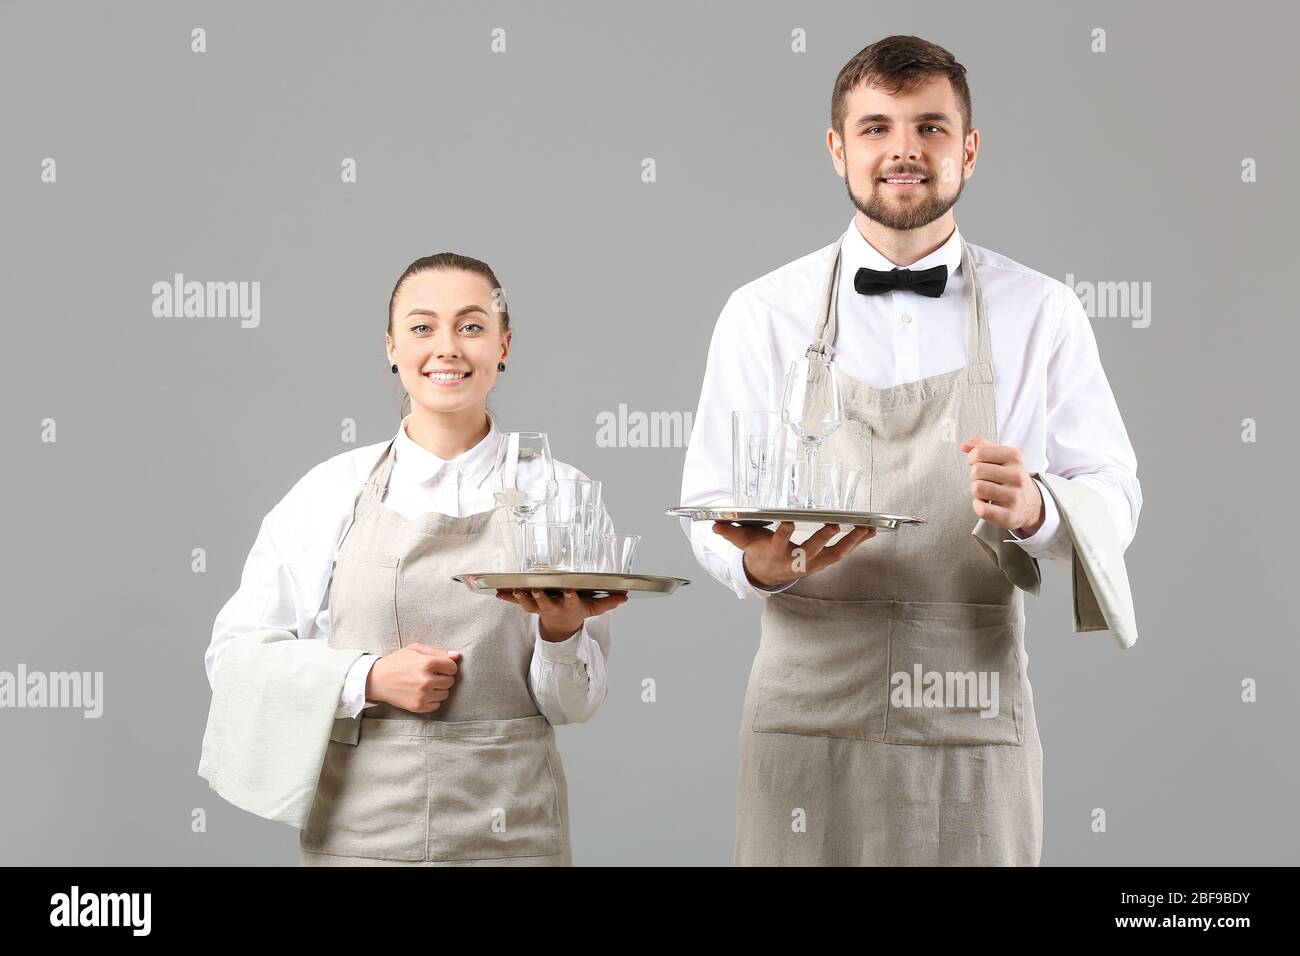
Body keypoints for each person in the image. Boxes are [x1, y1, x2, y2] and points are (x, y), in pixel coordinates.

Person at [678, 35, 1141, 865]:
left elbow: (1115, 493)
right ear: (837, 149)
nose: (903, 150)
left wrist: (1040, 508)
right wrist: (758, 566)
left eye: (930, 127)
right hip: (805, 712)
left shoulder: (1042, 311)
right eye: (875, 127)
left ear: (967, 148)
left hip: (968, 708)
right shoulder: (761, 312)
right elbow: (709, 497)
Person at [206, 252, 627, 866]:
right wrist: (368, 678)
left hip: (514, 832)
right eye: (423, 327)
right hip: (363, 830)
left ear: (504, 345)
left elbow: (575, 706)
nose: (447, 348)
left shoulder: (562, 495)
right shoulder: (330, 491)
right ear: (391, 347)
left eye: (473, 326)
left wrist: (562, 634)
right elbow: (233, 658)